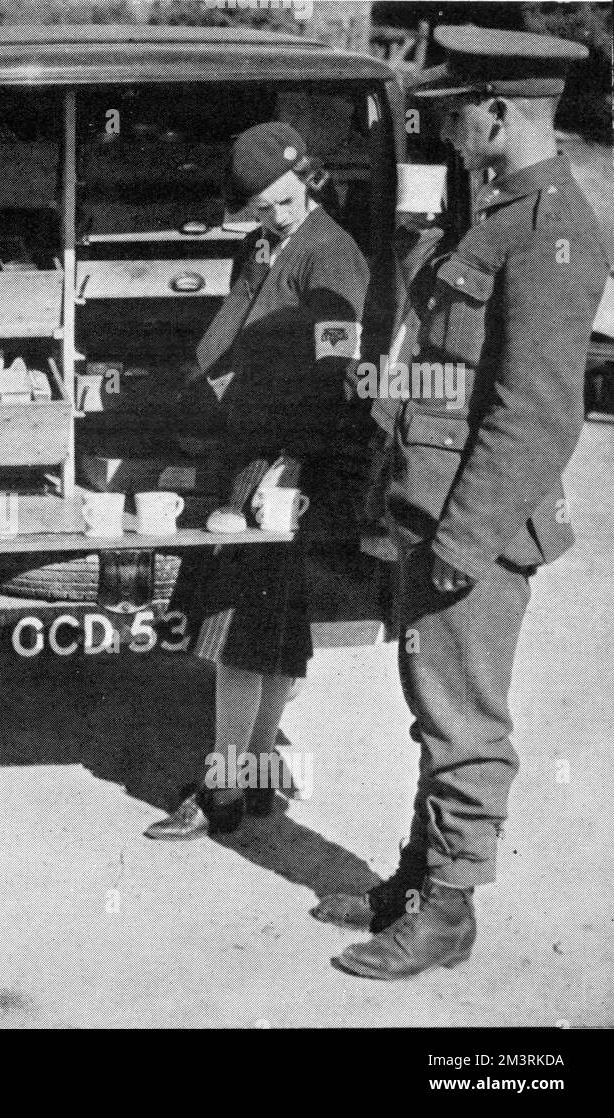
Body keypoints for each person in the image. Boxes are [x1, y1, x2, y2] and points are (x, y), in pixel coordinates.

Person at [313, 26, 609, 979]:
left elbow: (534, 417)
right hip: (431, 509)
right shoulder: (493, 212)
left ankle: (447, 917)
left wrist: (464, 540)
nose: (444, 128)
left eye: (453, 111)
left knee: (465, 724)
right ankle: (416, 880)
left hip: (471, 527)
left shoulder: (552, 233)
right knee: (430, 704)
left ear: (497, 113)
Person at [145, 122, 369, 840]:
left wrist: (290, 464)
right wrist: (191, 391)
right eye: (258, 208)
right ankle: (254, 780)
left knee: (236, 622)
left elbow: (336, 360)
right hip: (252, 444)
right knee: (272, 623)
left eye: (279, 201)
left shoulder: (332, 254)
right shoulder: (263, 246)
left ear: (309, 178)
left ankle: (221, 793)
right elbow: (235, 321)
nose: (270, 216)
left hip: (288, 460)